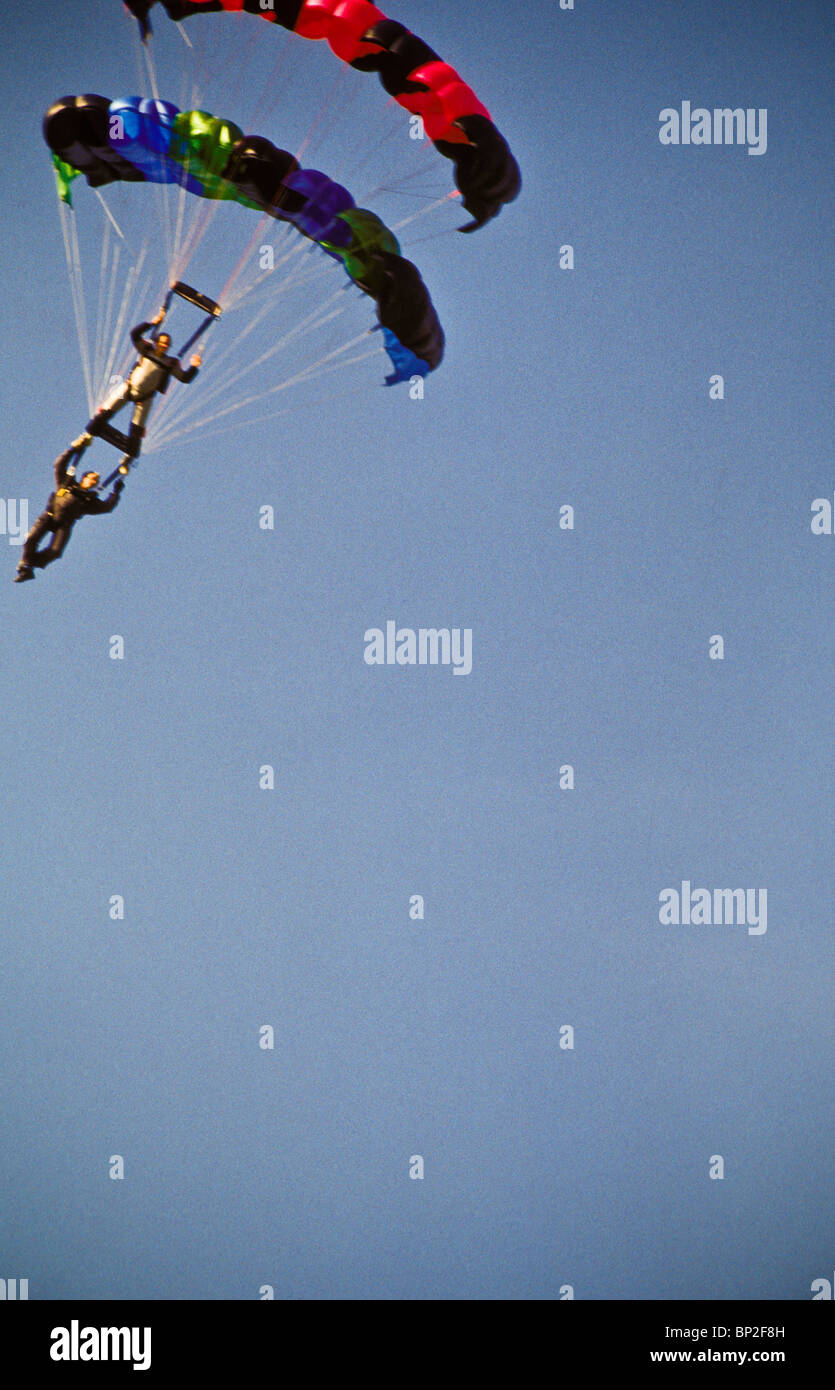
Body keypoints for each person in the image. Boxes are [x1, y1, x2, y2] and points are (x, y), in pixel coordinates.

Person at [87, 308, 202, 466]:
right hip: (128, 388)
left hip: (145, 398)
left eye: (166, 344)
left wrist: (194, 367)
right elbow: (134, 334)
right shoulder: (146, 349)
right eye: (161, 343)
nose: (163, 346)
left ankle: (129, 456)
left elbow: (184, 378)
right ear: (156, 343)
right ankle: (88, 434)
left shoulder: (171, 363)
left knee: (136, 431)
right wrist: (152, 323)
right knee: (105, 412)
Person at [14, 435, 124, 582]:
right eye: (92, 478)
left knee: (56, 551)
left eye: (96, 481)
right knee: (30, 540)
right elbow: (59, 465)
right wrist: (74, 448)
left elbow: (107, 507)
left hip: (64, 524)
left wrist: (116, 492)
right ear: (84, 478)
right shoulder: (66, 483)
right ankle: (26, 566)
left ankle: (29, 565)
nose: (94, 481)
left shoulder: (89, 500)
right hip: (50, 516)